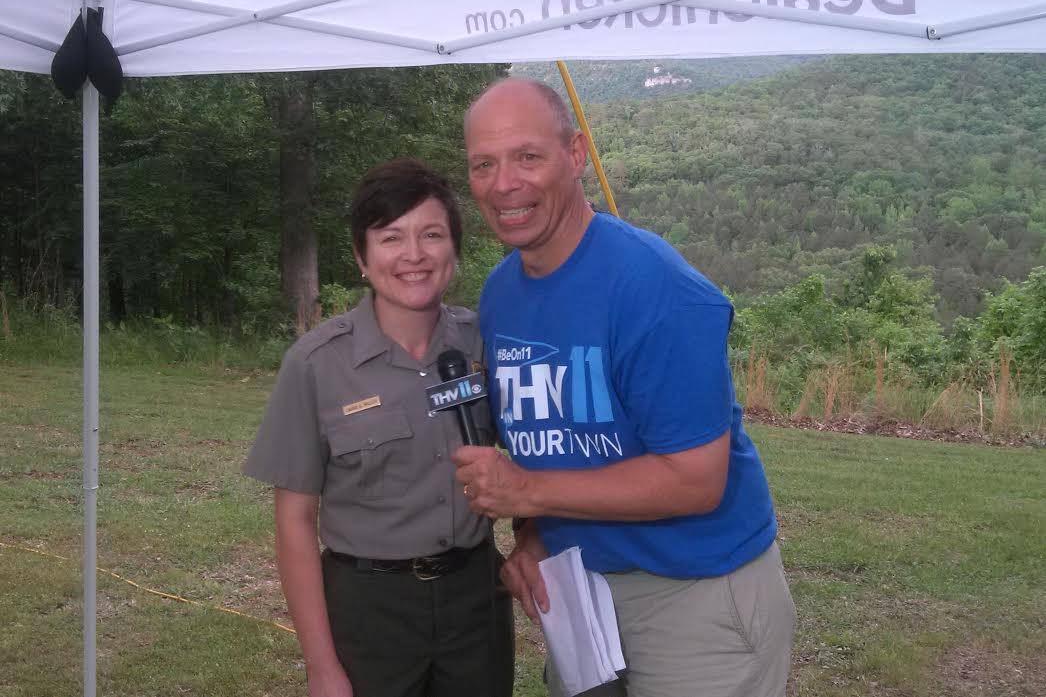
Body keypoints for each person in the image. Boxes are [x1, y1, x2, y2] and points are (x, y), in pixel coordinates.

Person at [452, 79, 795, 697]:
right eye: (484, 164)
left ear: (576, 154)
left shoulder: (655, 288)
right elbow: (553, 441)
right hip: (582, 593)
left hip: (695, 593)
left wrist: (526, 492)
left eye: (527, 156)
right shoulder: (501, 296)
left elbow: (697, 479)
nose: (504, 183)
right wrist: (533, 531)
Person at [244, 159, 514, 697]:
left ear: (454, 251)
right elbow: (295, 521)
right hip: (368, 611)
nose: (413, 255)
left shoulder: (487, 344)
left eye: (432, 234)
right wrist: (322, 666)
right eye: (391, 237)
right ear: (362, 257)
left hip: (476, 600)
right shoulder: (316, 365)